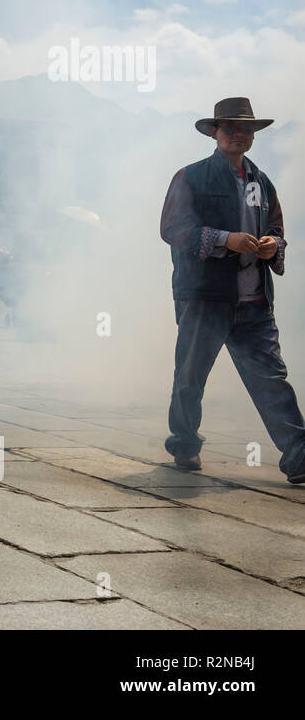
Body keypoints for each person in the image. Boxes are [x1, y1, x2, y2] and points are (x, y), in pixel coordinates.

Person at [159, 97, 305, 482]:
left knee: (271, 380)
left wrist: (273, 245)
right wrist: (226, 239)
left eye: (246, 130)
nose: (239, 135)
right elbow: (173, 230)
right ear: (214, 132)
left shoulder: (262, 181)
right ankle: (185, 444)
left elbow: (276, 229)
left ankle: (300, 455)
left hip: (254, 298)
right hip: (205, 296)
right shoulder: (190, 177)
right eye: (231, 128)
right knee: (190, 376)